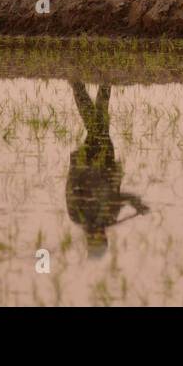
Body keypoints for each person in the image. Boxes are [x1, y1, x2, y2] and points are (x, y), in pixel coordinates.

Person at [65, 81, 148, 258]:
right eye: (101, 238)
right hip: (107, 165)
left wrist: (79, 164)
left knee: (98, 129)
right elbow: (119, 197)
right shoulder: (109, 218)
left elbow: (71, 186)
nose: (99, 235)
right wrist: (137, 204)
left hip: (87, 164)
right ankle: (95, 84)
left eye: (95, 239)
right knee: (99, 127)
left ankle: (92, 84)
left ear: (89, 239)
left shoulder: (77, 216)